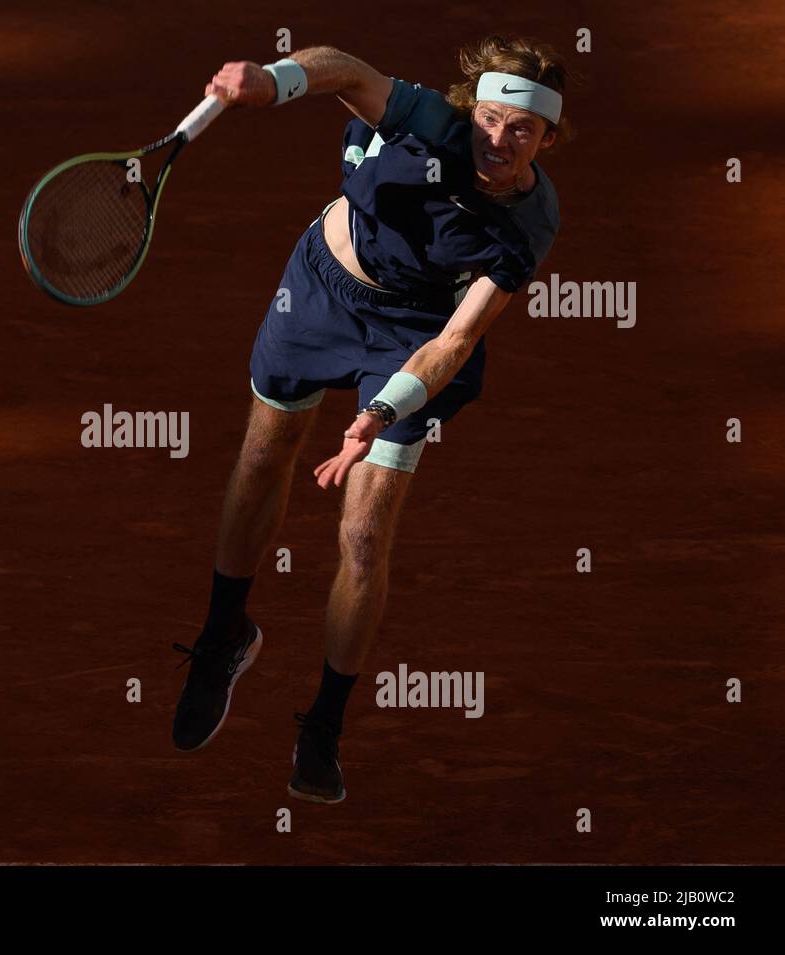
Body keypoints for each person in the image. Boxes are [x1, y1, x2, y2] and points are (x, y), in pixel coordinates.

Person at [171, 35, 570, 803]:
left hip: (411, 338)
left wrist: (381, 410)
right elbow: (346, 70)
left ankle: (323, 723)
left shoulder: (528, 223)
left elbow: (457, 339)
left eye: (521, 131)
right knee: (263, 456)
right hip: (320, 290)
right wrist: (274, 78)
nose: (498, 140)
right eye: (489, 119)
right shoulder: (428, 121)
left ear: (548, 139)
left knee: (363, 533)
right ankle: (225, 634)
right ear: (471, 111)